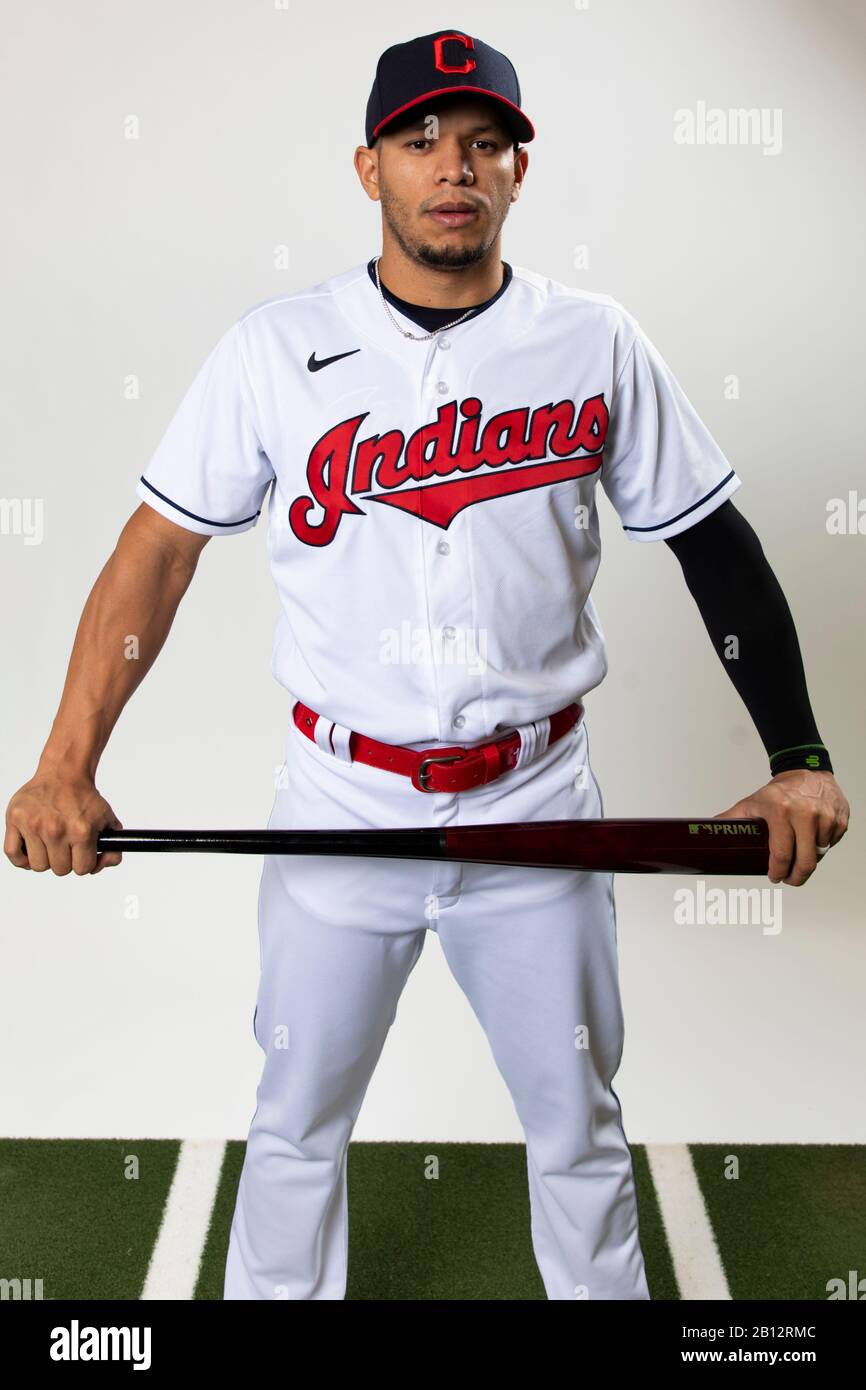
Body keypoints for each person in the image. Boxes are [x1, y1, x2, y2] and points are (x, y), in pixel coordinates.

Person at [4, 28, 849, 1300]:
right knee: (294, 1128)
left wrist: (795, 757)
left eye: (481, 140)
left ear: (519, 168)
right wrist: (64, 766)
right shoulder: (273, 348)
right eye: (418, 139)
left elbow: (712, 545)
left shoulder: (592, 340)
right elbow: (153, 557)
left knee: (577, 1132)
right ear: (369, 167)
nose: (450, 165)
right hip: (340, 807)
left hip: (536, 808)